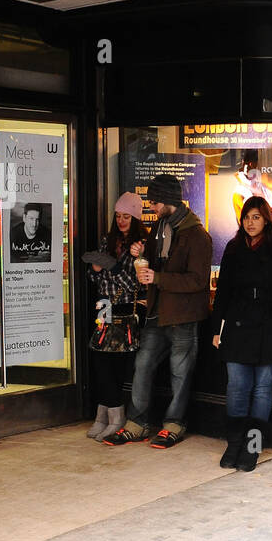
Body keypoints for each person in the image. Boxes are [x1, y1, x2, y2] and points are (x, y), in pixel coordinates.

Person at [104, 174, 212, 449]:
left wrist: (158, 279)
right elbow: (153, 260)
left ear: (168, 200)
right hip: (157, 313)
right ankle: (137, 424)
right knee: (142, 366)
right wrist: (142, 251)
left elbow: (198, 281)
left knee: (180, 372)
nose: (151, 206)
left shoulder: (197, 235)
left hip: (184, 317)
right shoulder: (161, 227)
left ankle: (174, 425)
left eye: (154, 201)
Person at [212, 196, 272, 472]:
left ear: (266, 219)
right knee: (237, 387)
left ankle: (252, 447)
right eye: (247, 217)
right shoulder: (233, 248)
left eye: (256, 217)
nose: (250, 223)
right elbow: (223, 293)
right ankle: (234, 443)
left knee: (262, 390)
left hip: (268, 328)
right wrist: (217, 329)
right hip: (238, 327)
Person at [84, 191, 148, 441]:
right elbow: (95, 279)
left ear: (135, 218)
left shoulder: (141, 244)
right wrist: (98, 269)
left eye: (127, 217)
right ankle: (105, 414)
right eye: (118, 216)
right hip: (103, 305)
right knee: (99, 360)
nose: (121, 221)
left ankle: (115, 417)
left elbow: (134, 283)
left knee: (115, 364)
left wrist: (114, 267)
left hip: (124, 308)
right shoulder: (106, 241)